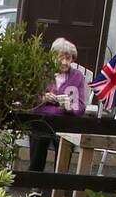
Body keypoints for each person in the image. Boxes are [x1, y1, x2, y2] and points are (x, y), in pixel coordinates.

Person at [27, 38, 89, 172]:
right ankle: (35, 183)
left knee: (65, 143)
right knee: (39, 138)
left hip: (65, 121)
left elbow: (81, 105)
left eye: (69, 58)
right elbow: (28, 98)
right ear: (53, 57)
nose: (65, 62)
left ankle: (59, 183)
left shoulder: (77, 76)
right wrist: (43, 98)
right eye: (62, 58)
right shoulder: (41, 71)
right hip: (42, 118)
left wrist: (70, 107)